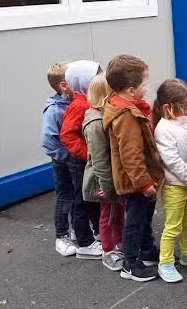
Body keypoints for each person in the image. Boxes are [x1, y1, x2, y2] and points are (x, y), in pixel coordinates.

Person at [103, 55, 164, 282]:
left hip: (140, 177)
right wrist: (144, 183)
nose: (147, 88)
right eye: (144, 84)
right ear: (129, 90)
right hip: (135, 181)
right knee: (136, 222)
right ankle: (131, 263)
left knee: (145, 217)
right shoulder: (126, 116)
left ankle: (147, 251)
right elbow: (131, 154)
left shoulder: (129, 107)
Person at [154, 79, 187, 283]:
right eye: (184, 107)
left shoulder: (184, 120)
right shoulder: (163, 129)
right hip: (175, 186)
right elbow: (172, 161)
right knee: (172, 226)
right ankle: (165, 262)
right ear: (168, 107)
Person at [59, 60, 103, 260]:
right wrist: (89, 153)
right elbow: (67, 135)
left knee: (92, 198)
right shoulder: (79, 105)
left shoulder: (89, 100)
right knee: (81, 201)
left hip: (88, 160)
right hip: (80, 162)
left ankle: (95, 232)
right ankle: (85, 242)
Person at [81, 73, 125, 271]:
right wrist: (106, 185)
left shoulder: (103, 117)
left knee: (118, 212)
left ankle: (120, 243)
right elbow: (99, 159)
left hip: (112, 177)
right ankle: (108, 250)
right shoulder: (96, 124)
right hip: (104, 180)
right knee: (108, 214)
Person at [41, 62, 75, 257]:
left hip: (75, 161)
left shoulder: (73, 103)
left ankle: (79, 230)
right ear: (63, 85)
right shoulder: (54, 110)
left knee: (78, 195)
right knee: (65, 197)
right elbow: (48, 141)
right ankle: (61, 236)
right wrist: (67, 157)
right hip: (64, 163)